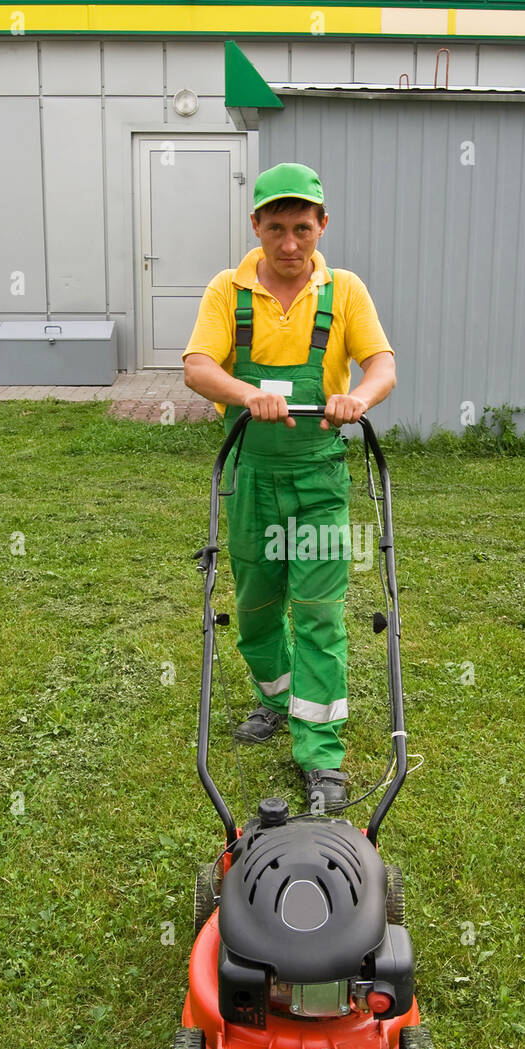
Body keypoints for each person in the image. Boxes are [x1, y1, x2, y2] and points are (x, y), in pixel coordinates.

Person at [182, 163, 396, 812]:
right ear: (256, 226)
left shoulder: (345, 291)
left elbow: (381, 364)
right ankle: (275, 699)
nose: (289, 244)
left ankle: (321, 757)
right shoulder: (228, 291)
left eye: (302, 228)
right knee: (253, 615)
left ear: (321, 226)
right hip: (254, 479)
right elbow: (196, 367)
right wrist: (248, 395)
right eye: (275, 228)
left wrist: (355, 399)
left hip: (318, 481)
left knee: (320, 617)